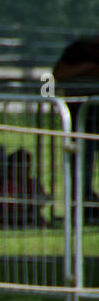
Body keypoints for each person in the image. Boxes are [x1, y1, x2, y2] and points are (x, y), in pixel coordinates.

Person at [53, 36, 99, 223]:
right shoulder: (79, 48)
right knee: (81, 164)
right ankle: (81, 207)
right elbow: (58, 74)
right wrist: (89, 68)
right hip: (81, 121)